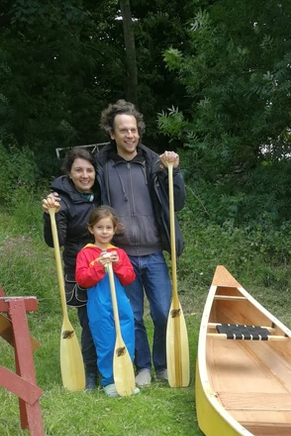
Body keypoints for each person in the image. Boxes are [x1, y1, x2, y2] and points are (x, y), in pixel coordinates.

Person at [94, 99, 186, 387]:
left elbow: (177, 203)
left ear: (139, 131)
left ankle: (161, 364)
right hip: (121, 255)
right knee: (131, 315)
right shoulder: (102, 165)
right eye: (123, 130)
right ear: (112, 133)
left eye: (133, 129)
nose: (129, 135)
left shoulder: (154, 163)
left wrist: (175, 172)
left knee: (162, 312)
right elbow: (83, 191)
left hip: (154, 253)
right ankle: (142, 366)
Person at [42, 147, 101, 390]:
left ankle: (111, 364)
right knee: (88, 321)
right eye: (79, 170)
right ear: (69, 173)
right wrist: (50, 215)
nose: (85, 175)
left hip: (105, 264)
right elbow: (54, 240)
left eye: (89, 170)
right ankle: (90, 372)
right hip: (80, 268)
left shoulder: (100, 193)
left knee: (106, 318)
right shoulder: (60, 199)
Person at [75, 206, 138, 398]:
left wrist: (117, 263)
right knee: (105, 340)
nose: (104, 232)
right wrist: (100, 265)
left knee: (126, 337)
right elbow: (82, 280)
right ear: (91, 229)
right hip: (99, 303)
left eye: (108, 227)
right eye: (100, 227)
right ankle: (109, 381)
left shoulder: (119, 253)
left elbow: (129, 278)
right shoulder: (86, 254)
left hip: (120, 302)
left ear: (114, 229)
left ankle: (127, 376)